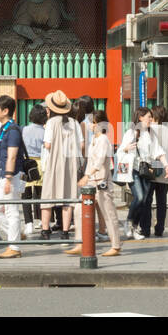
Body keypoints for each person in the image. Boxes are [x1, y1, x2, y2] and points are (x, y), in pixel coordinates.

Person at [66, 110, 122, 257]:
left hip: (101, 182)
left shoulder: (103, 139)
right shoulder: (94, 139)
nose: (90, 125)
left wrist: (86, 176)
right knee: (79, 210)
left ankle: (116, 245)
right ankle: (80, 242)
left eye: (93, 122)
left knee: (109, 214)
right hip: (91, 183)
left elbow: (98, 161)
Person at [0, 95, 25, 259]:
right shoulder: (3, 128)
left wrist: (9, 178)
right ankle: (14, 234)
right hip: (2, 175)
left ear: (5, 111)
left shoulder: (13, 130)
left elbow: (12, 156)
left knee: (11, 211)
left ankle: (14, 246)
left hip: (11, 175)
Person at [41, 91, 80, 239]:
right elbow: (81, 144)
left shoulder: (51, 123)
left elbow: (48, 144)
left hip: (54, 163)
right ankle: (65, 232)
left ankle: (45, 232)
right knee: (68, 198)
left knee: (47, 197)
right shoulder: (74, 123)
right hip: (71, 164)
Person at [121, 108, 164, 241]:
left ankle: (134, 228)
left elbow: (158, 151)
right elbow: (121, 151)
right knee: (139, 197)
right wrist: (126, 148)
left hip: (146, 171)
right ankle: (128, 222)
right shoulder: (131, 132)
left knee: (144, 201)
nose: (151, 119)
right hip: (134, 170)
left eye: (151, 117)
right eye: (148, 117)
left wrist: (166, 166)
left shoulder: (151, 134)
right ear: (140, 118)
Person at [145, 105, 168, 238]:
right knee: (162, 201)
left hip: (150, 171)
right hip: (165, 172)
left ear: (154, 116)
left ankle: (145, 228)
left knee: (147, 200)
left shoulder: (149, 130)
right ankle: (159, 229)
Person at [21, 106, 46, 238]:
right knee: (40, 194)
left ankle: (28, 223)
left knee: (25, 195)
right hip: (41, 163)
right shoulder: (45, 132)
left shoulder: (24, 129)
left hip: (26, 164)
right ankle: (42, 220)